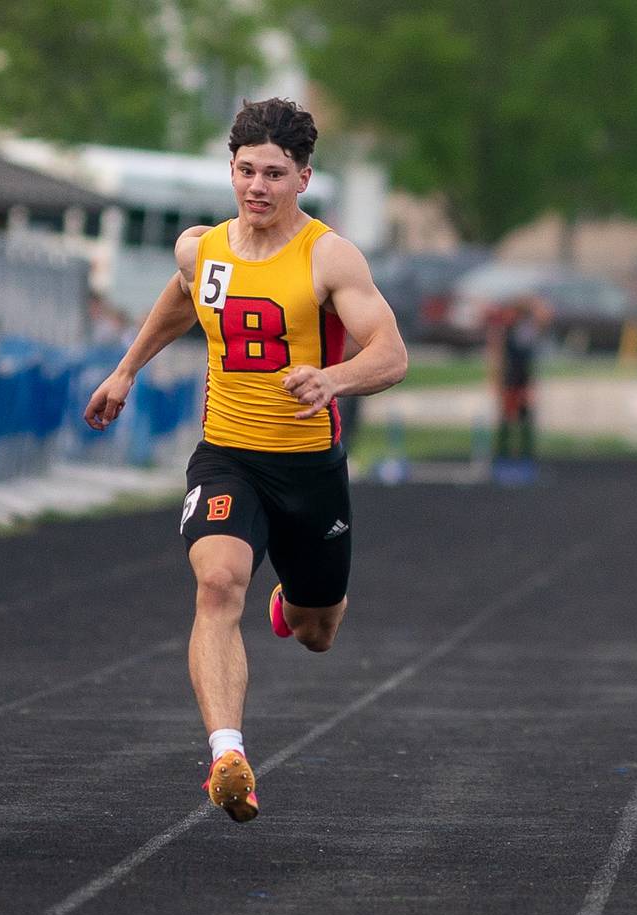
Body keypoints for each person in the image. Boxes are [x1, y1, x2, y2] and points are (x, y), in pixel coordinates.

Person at [83, 98, 408, 822]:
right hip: (227, 456)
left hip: (308, 468)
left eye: (273, 174)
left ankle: (291, 607)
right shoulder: (203, 249)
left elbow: (391, 353)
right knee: (216, 585)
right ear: (229, 170)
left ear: (303, 178)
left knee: (320, 627)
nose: (256, 186)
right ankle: (227, 754)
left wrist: (335, 378)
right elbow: (181, 300)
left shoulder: (328, 255)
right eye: (245, 171)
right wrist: (126, 369)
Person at [486, 293, 551, 478]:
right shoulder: (508, 328)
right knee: (506, 419)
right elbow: (499, 355)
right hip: (510, 379)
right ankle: (503, 457)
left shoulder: (528, 327)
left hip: (524, 379)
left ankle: (526, 457)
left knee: (525, 418)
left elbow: (544, 317)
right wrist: (496, 381)